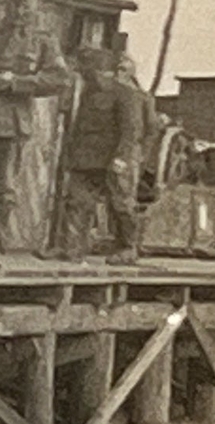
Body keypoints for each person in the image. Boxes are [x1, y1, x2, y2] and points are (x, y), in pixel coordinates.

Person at [0, 0, 71, 264]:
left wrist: (18, 83)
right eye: (15, 5)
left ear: (36, 9)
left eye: (26, 7)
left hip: (12, 121)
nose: (19, 12)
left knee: (3, 187)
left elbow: (59, 79)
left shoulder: (43, 41)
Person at [53, 48, 146, 264]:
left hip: (111, 160)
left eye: (90, 71)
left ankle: (128, 247)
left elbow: (131, 130)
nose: (86, 76)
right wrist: (71, 157)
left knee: (121, 204)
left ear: (104, 72)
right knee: (77, 202)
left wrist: (122, 158)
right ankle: (72, 249)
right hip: (85, 160)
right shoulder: (84, 94)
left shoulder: (125, 94)